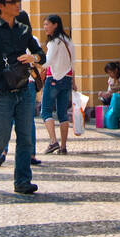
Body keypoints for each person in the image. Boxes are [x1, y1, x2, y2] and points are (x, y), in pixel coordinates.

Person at [0, 0, 45, 196]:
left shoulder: (24, 30)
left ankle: (23, 181)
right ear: (1, 6)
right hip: (2, 93)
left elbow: (39, 52)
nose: (17, 4)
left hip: (24, 90)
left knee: (25, 138)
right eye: (13, 1)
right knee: (2, 137)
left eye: (18, 0)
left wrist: (35, 58)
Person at [41, 14, 75, 156]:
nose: (45, 28)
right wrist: (74, 80)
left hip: (53, 78)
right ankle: (63, 146)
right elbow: (73, 63)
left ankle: (53, 141)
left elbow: (47, 63)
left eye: (47, 24)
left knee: (46, 111)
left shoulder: (53, 43)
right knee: (62, 113)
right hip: (67, 78)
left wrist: (35, 61)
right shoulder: (68, 41)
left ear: (55, 25)